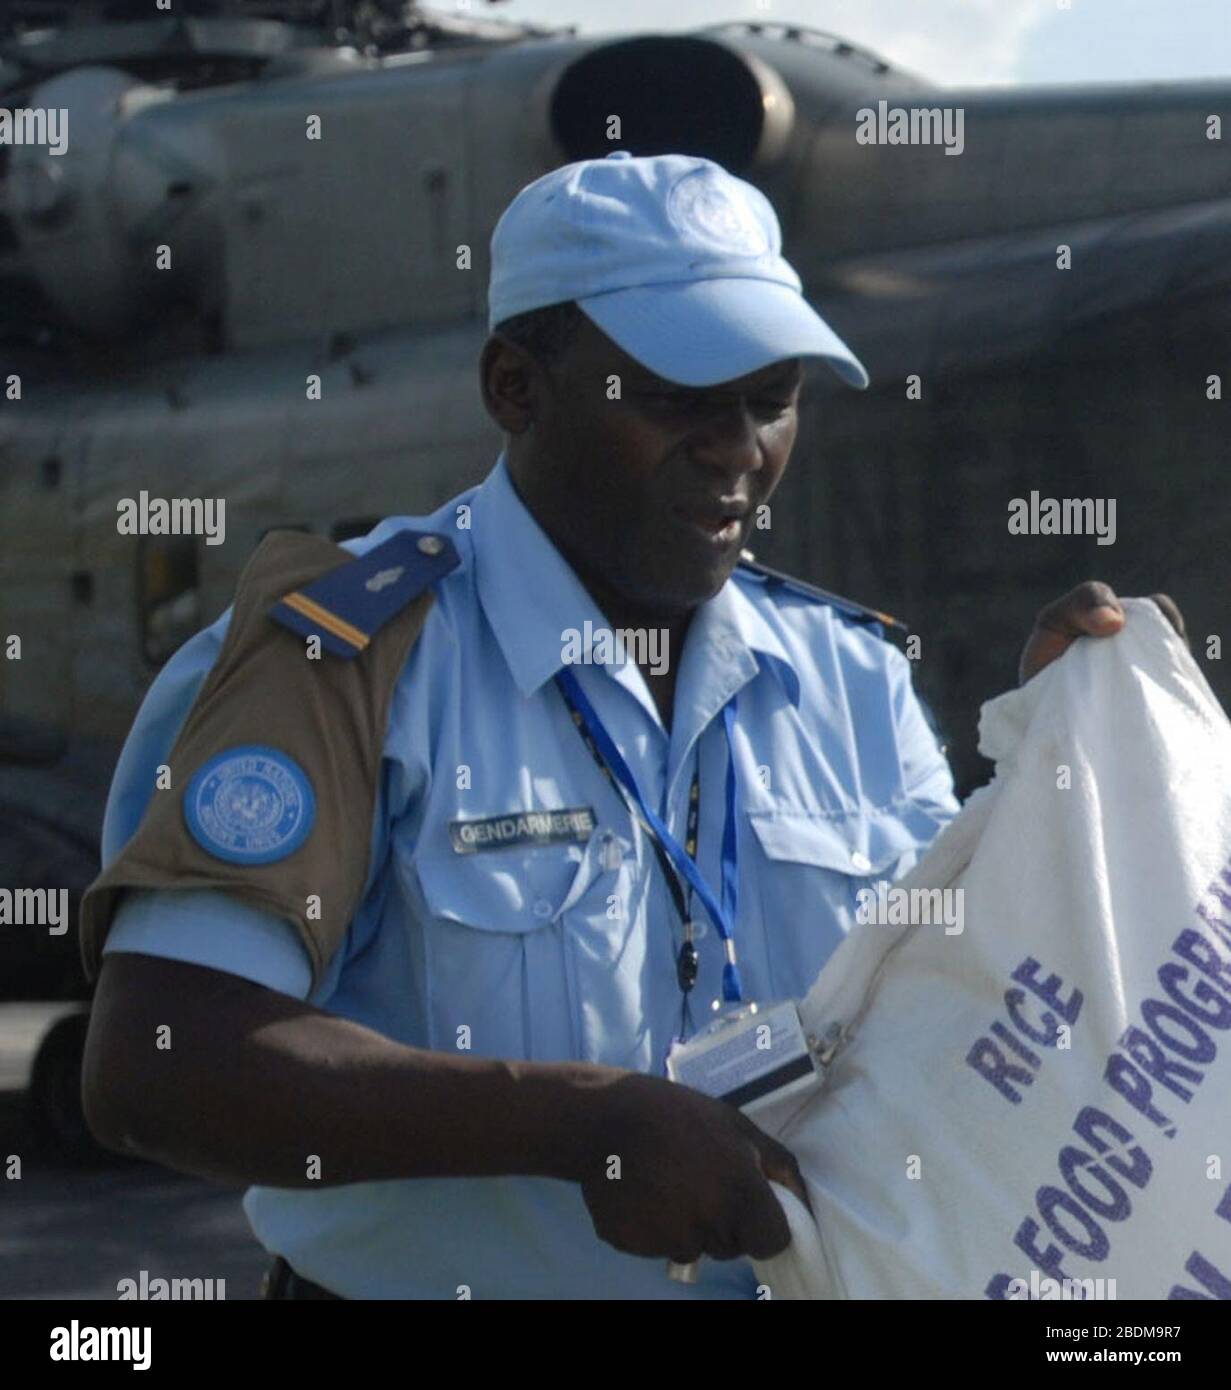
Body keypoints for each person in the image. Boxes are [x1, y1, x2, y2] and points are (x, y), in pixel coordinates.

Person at [78, 151, 1183, 1300]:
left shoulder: (851, 676)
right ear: (515, 386)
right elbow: (161, 1060)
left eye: (772, 399)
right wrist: (577, 1125)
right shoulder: (348, 660)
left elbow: (956, 1024)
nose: (740, 448)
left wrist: (1061, 780)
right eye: (675, 398)